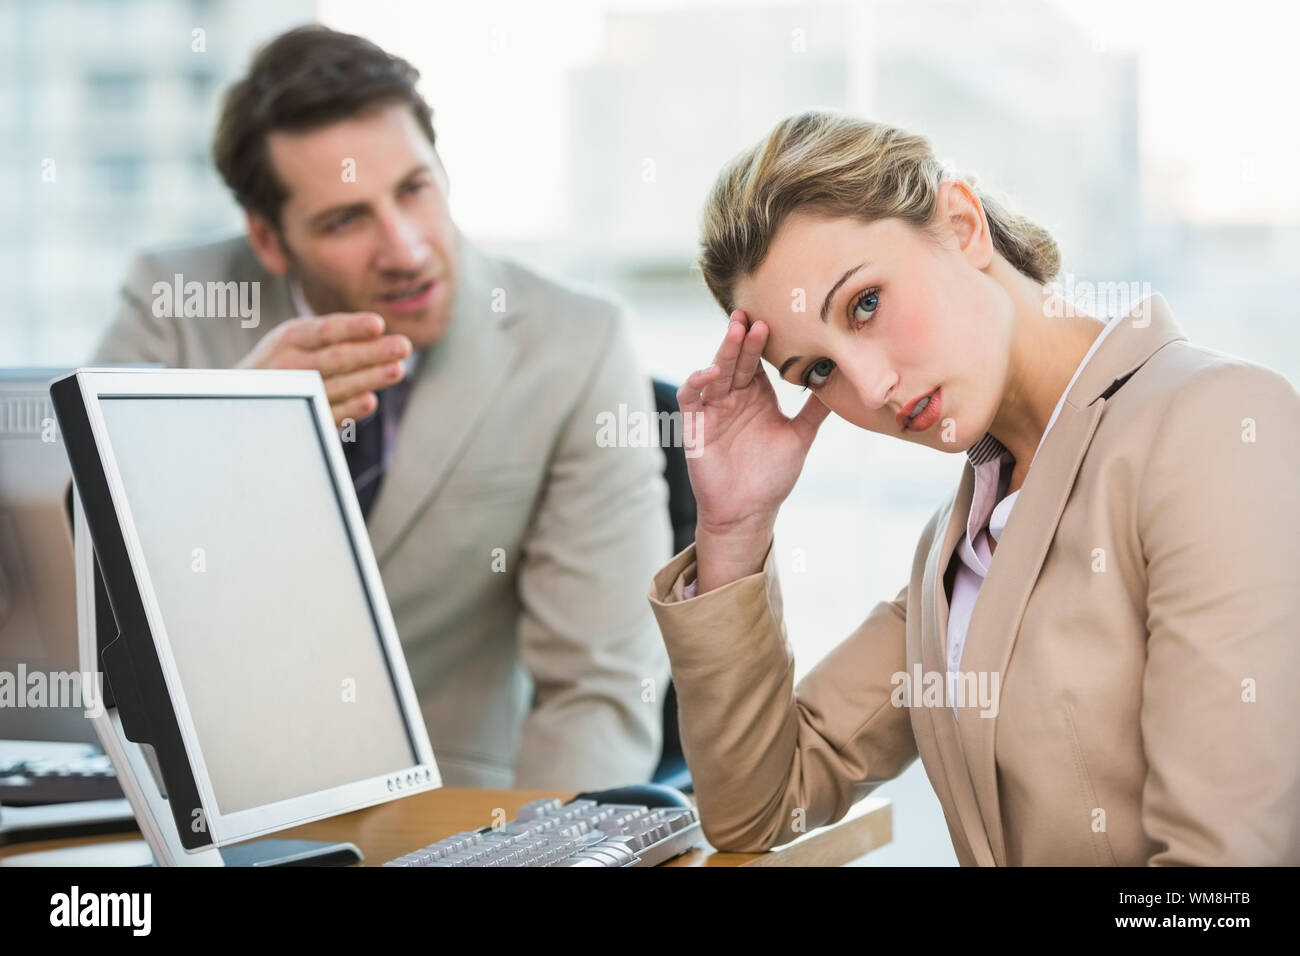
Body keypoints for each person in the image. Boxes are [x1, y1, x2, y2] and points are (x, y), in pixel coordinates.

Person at [648, 110, 1300, 865]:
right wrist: (733, 529)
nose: (873, 385)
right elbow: (759, 810)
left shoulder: (1214, 424)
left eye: (865, 303)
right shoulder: (951, 552)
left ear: (961, 224)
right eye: (816, 371)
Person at [91, 25, 672, 790]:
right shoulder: (173, 303)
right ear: (269, 239)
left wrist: (544, 846)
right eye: (345, 219)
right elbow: (88, 594)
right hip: (203, 800)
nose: (403, 248)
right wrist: (227, 436)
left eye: (413, 189)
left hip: (452, 811)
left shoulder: (576, 344)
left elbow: (598, 685)